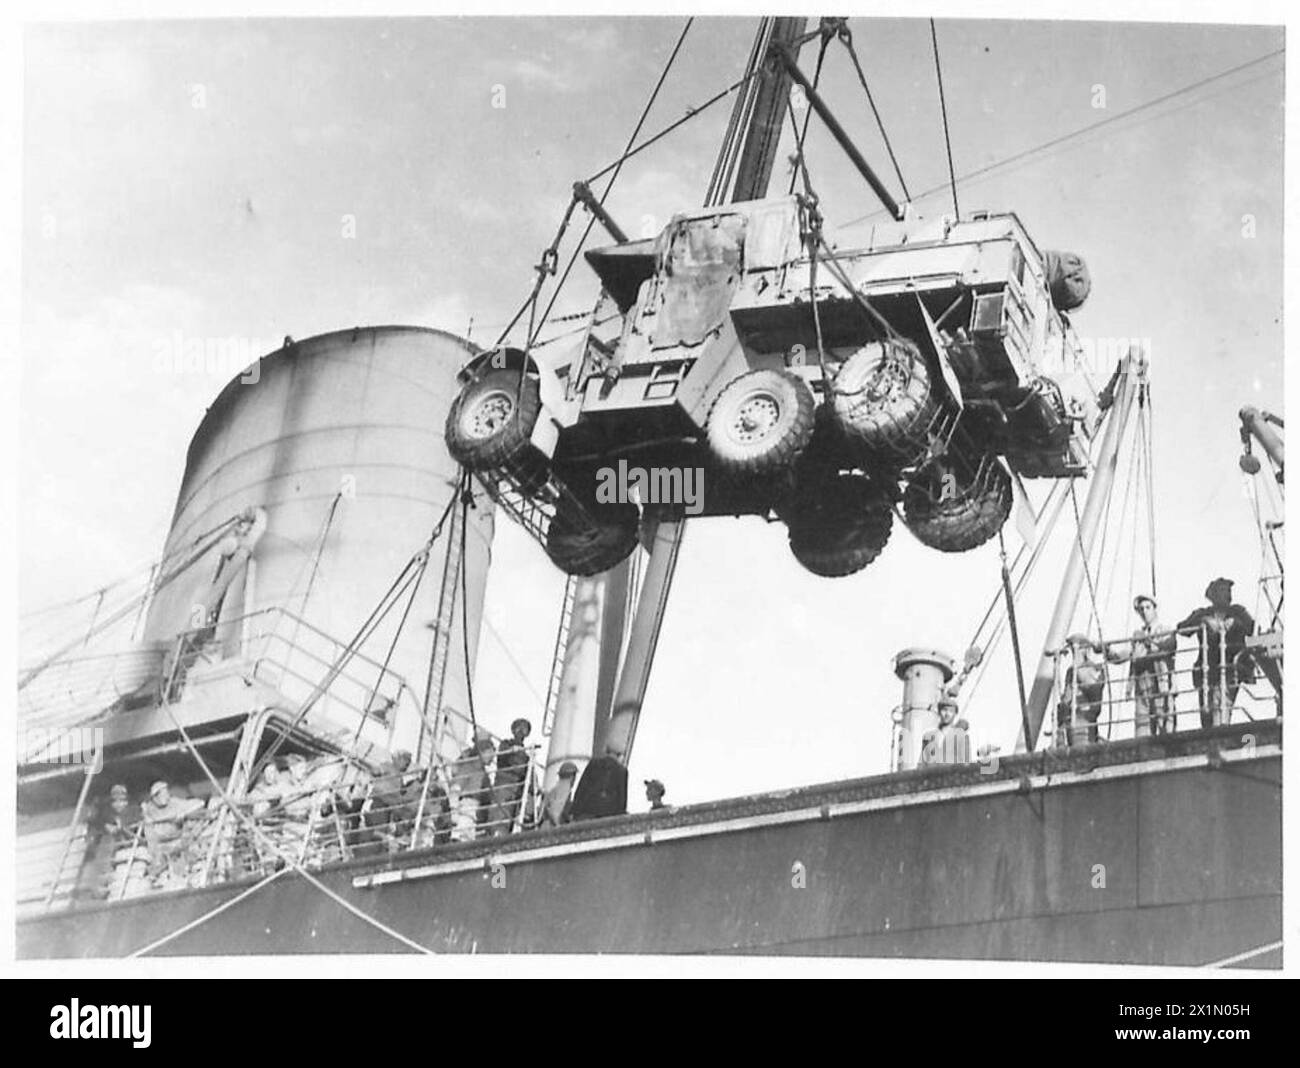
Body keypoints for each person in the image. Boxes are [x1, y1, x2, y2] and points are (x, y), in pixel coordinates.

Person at [1178, 578, 1256, 727]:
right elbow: (1182, 629)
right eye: (1222, 590)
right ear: (1213, 595)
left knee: (1221, 705)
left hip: (1230, 667)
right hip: (1207, 669)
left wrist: (1235, 623)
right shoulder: (1203, 613)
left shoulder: (1238, 612)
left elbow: (1253, 627)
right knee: (1207, 712)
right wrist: (1204, 621)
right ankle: (1212, 734)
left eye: (1228, 591)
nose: (1227, 594)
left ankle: (1221, 729)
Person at [1105, 595, 1177, 736]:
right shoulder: (1137, 637)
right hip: (1142, 686)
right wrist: (1107, 651)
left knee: (1165, 729)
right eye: (1141, 609)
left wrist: (1150, 643)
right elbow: (1123, 655)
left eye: (1148, 607)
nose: (1144, 612)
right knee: (1142, 730)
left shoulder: (1165, 630)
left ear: (1155, 609)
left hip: (1160, 684)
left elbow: (1169, 646)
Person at [76, 784, 138, 901]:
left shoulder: (133, 811)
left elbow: (135, 829)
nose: (119, 804)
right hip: (110, 846)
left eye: (122, 801)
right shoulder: (106, 814)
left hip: (127, 843)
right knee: (104, 843)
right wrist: (106, 826)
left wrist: (121, 828)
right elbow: (93, 822)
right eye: (115, 801)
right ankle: (97, 885)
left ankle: (103, 883)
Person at [141, 781, 205, 884]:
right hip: (159, 845)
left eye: (166, 793)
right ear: (155, 797)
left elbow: (200, 803)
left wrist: (183, 814)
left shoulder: (175, 803)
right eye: (162, 794)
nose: (166, 796)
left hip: (176, 841)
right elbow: (148, 827)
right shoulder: (149, 808)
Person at [1056, 634, 1107, 746]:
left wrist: (1078, 665)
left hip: (1084, 720)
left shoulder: (1091, 669)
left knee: (1081, 749)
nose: (1074, 653)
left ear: (1084, 650)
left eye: (1076, 649)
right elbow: (1067, 696)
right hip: (1070, 721)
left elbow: (1093, 687)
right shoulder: (1071, 671)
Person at [493, 718, 533, 834]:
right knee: (500, 813)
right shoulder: (506, 744)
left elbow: (527, 772)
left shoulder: (526, 755)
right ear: (513, 730)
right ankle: (497, 834)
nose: (521, 731)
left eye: (524, 729)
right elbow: (501, 755)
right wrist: (511, 750)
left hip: (516, 787)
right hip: (504, 783)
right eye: (519, 727)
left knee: (512, 814)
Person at [570, 749, 628, 821]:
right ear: (620, 755)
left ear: (606, 750)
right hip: (608, 816)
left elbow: (581, 789)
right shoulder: (622, 771)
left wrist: (574, 811)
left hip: (587, 811)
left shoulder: (593, 764)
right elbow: (622, 800)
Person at [539, 762, 578, 828]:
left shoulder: (555, 789)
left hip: (546, 825)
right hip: (551, 827)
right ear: (572, 776)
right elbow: (555, 810)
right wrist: (557, 826)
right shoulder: (564, 788)